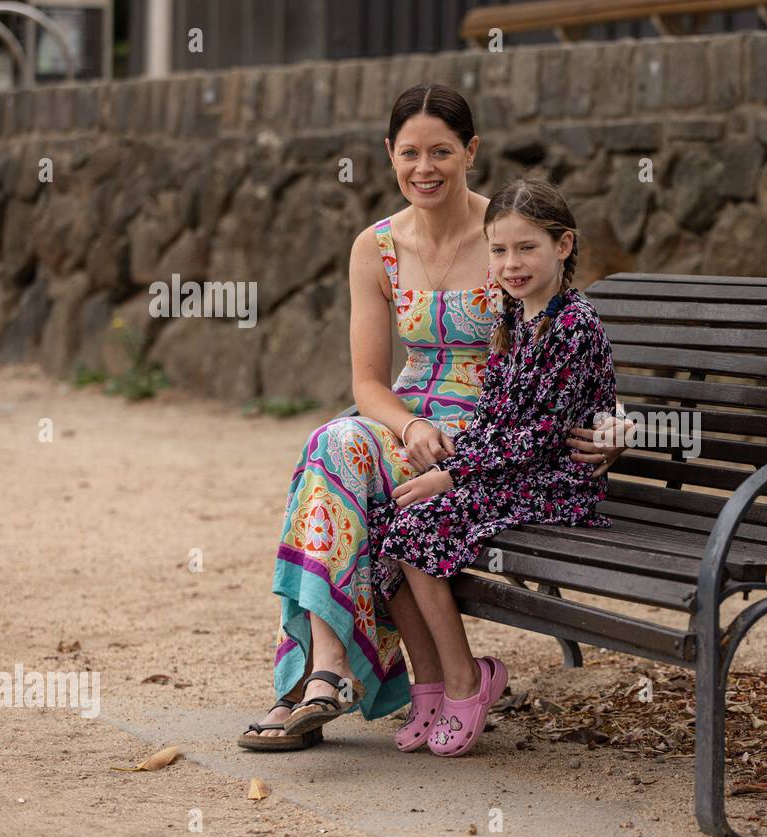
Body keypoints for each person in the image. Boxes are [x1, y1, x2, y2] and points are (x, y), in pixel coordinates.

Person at [238, 85, 627, 751]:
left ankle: (339, 678)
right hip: (411, 424)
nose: (426, 167)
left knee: (373, 488)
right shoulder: (376, 246)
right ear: (390, 154)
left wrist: (616, 426)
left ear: (470, 151)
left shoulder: (506, 235)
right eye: (410, 152)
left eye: (442, 151)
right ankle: (326, 668)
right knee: (335, 444)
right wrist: (411, 426)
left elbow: (561, 362)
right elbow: (368, 382)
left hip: (487, 434)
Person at [349, 175, 618, 757]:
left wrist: (453, 473)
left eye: (527, 248)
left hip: (558, 482)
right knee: (387, 525)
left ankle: (468, 681)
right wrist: (459, 460)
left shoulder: (575, 324)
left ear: (562, 247)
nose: (511, 263)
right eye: (499, 250)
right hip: (507, 473)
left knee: (417, 528)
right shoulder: (512, 317)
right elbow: (494, 416)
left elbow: (538, 436)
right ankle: (430, 685)